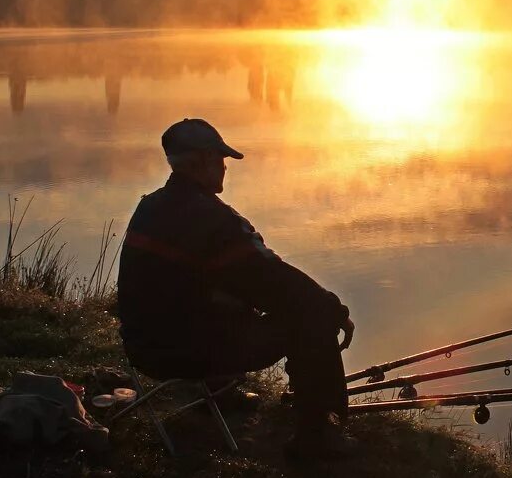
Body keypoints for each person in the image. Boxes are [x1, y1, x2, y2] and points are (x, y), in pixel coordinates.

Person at [116, 118, 356, 458]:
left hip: (142, 347)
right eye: (220, 160)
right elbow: (275, 281)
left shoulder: (150, 206)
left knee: (220, 293)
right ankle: (317, 438)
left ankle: (219, 390)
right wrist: (333, 309)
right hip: (184, 353)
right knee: (312, 317)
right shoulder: (215, 221)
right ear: (201, 162)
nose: (224, 168)